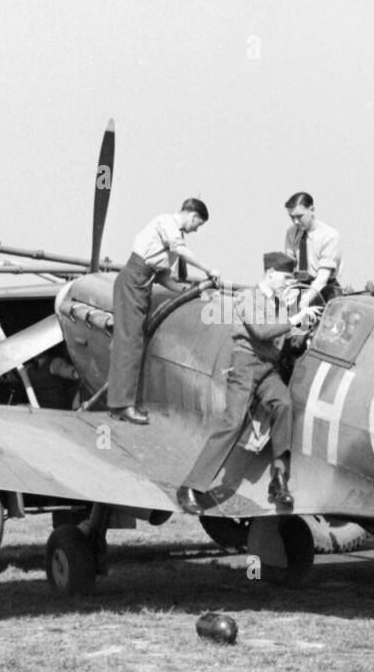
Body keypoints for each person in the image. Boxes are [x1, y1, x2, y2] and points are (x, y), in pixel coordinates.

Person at [176, 252, 321, 514]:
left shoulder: (281, 304)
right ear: (270, 274)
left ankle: (278, 479)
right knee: (233, 423)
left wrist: (302, 327)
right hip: (246, 363)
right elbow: (262, 331)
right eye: (286, 278)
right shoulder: (247, 297)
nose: (288, 284)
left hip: (268, 368)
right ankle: (190, 486)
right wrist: (294, 319)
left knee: (284, 405)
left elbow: (289, 342)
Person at [108, 198, 221, 425]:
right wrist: (208, 269)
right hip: (133, 282)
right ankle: (122, 405)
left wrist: (185, 291)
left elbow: (162, 276)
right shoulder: (166, 222)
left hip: (141, 286)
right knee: (129, 344)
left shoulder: (171, 237)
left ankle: (122, 403)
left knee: (134, 343)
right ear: (193, 215)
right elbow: (178, 248)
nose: (196, 229)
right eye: (198, 224)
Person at [283, 191, 343, 305]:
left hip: (326, 292)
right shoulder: (291, 232)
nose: (296, 221)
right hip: (299, 287)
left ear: (312, 210)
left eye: (299, 216)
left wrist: (305, 300)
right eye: (292, 217)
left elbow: (322, 279)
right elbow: (288, 269)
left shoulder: (329, 236)